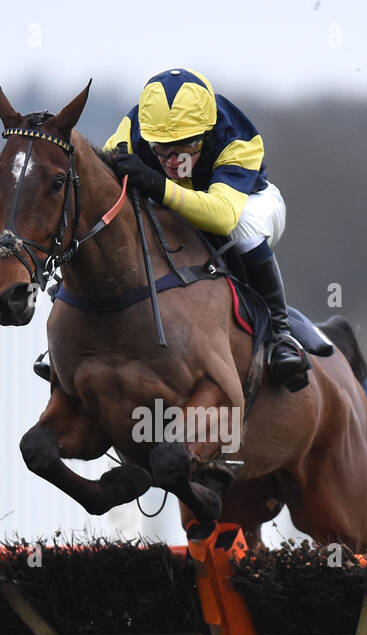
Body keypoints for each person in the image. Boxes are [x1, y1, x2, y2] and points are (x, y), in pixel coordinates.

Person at [104, 68, 310, 392]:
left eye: (185, 146)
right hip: (180, 207)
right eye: (161, 147)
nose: (173, 160)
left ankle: (280, 335)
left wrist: (158, 185)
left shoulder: (238, 139)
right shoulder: (134, 130)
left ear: (207, 132)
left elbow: (222, 217)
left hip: (249, 202)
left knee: (244, 226)